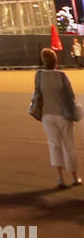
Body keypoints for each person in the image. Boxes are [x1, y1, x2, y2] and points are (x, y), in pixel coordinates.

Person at [31, 46, 81, 189]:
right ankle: (74, 176)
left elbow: (37, 93)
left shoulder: (39, 75)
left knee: (55, 146)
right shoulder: (61, 75)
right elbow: (70, 95)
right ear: (55, 60)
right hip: (63, 115)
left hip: (47, 115)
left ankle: (59, 178)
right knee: (69, 146)